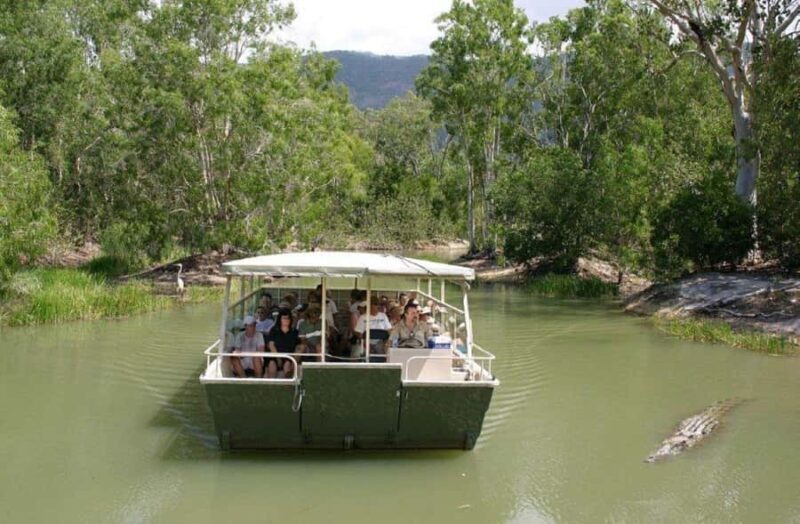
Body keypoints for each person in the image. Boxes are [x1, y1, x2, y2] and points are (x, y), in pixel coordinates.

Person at [266, 308, 303, 379]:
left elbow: (298, 346)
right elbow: (271, 345)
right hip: (275, 355)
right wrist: (278, 358)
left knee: (287, 364)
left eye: (288, 318)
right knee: (271, 364)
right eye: (284, 318)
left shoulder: (295, 332)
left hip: (289, 356)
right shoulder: (274, 330)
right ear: (280, 319)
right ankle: (270, 387)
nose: (286, 320)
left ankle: (287, 386)